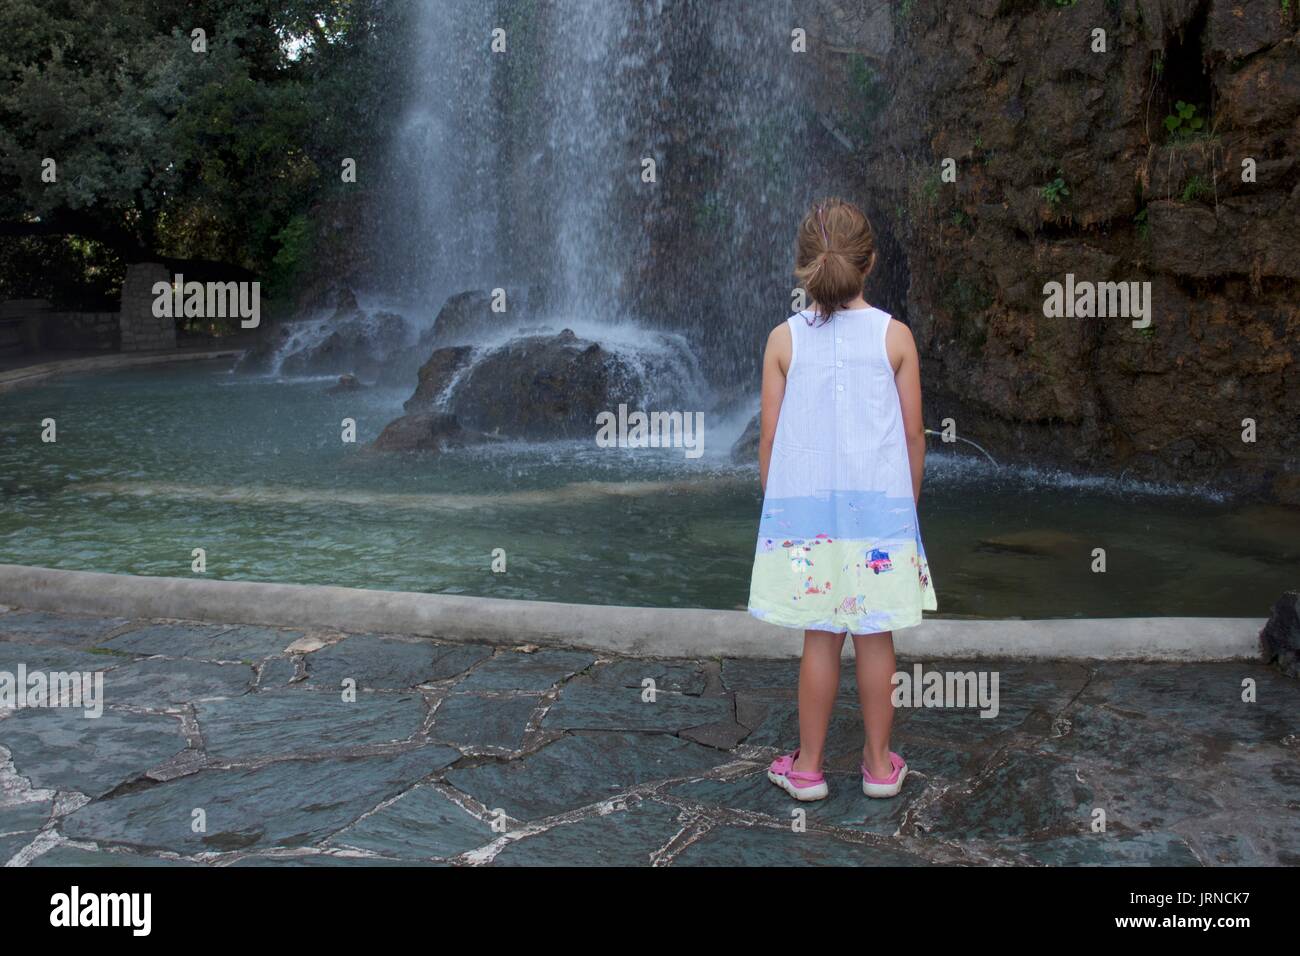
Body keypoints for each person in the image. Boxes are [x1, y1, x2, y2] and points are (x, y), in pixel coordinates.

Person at [748, 197, 937, 801]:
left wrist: (775, 506)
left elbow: (771, 438)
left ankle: (807, 768)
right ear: (871, 262)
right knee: (877, 636)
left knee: (821, 637)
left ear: (804, 267)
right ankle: (880, 767)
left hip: (806, 518)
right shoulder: (896, 336)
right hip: (880, 513)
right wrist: (907, 505)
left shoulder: (783, 340)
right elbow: (912, 434)